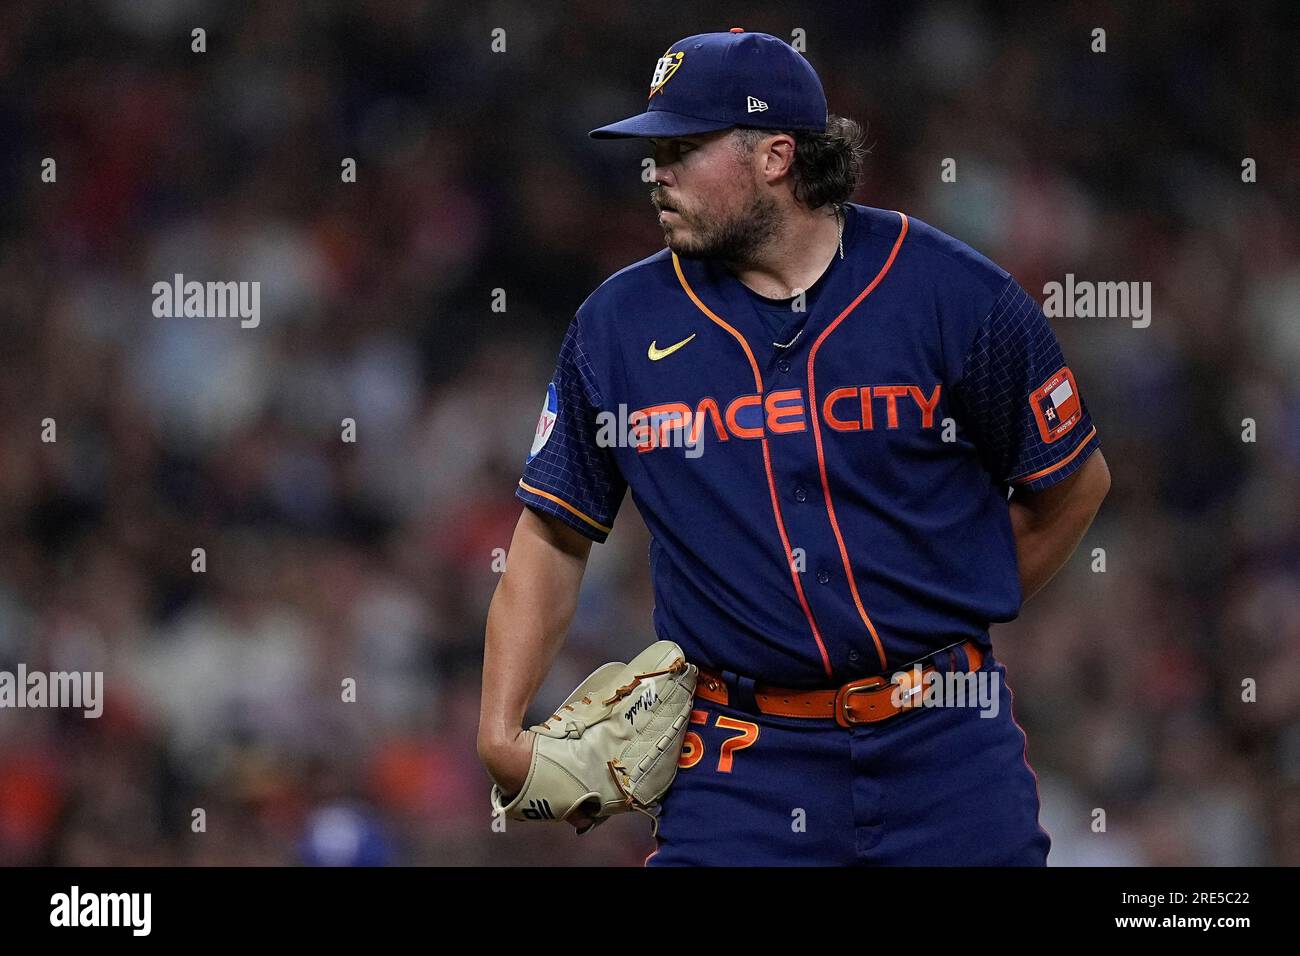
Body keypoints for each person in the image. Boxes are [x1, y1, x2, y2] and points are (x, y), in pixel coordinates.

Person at [478, 28, 1110, 865]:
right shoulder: (618, 327)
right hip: (742, 767)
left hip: (946, 753)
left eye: (681, 147)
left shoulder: (952, 294)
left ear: (775, 155)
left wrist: (946, 609)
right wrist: (498, 729)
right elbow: (554, 531)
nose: (655, 173)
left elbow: (1070, 483)